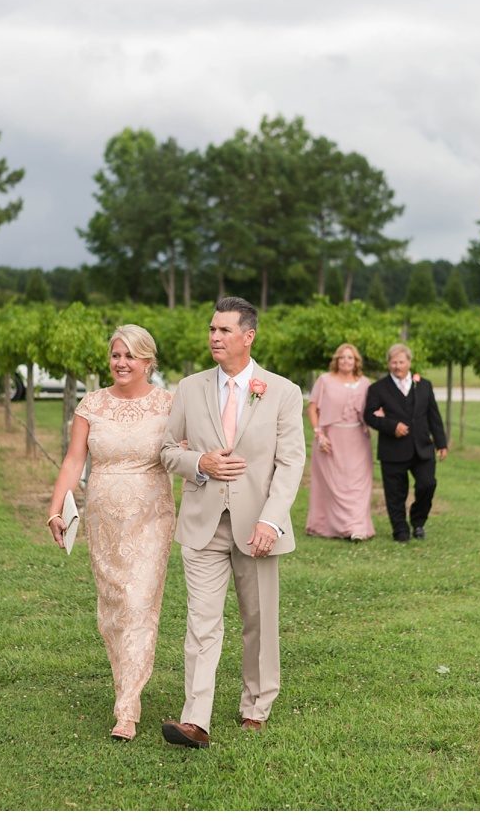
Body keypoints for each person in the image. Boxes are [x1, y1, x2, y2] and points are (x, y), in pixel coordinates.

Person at [158, 297, 303, 748]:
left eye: (224, 330)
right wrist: (199, 461)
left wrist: (271, 521)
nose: (214, 337)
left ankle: (256, 706)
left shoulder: (282, 391)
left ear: (248, 337)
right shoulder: (189, 387)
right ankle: (195, 719)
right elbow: (165, 450)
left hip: (256, 526)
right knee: (201, 622)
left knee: (257, 620)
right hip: (202, 522)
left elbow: (291, 462)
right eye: (212, 329)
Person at [45, 325, 175, 742]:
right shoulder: (92, 404)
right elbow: (72, 460)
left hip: (152, 515)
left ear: (148, 362)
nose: (121, 363)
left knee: (140, 604)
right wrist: (55, 509)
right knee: (115, 608)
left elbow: (186, 454)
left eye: (130, 356)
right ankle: (125, 684)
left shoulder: (169, 405)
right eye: (116, 355)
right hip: (103, 518)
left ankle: (127, 708)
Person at [363, 343, 448, 542]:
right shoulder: (378, 388)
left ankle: (418, 522)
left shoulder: (424, 385)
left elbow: (433, 416)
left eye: (401, 362)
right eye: (393, 362)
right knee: (395, 493)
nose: (397, 365)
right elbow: (369, 415)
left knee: (428, 484)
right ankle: (400, 529)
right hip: (393, 449)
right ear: (388, 364)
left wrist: (441, 443)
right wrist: (392, 426)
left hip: (423, 448)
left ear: (409, 362)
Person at [305, 343, 375, 541]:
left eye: (350, 358)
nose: (346, 361)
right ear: (337, 360)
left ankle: (357, 528)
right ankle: (335, 526)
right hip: (331, 441)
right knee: (336, 485)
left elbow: (374, 410)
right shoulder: (324, 381)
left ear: (356, 362)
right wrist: (319, 434)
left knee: (358, 485)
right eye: (343, 357)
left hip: (358, 441)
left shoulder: (365, 383)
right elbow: (312, 409)